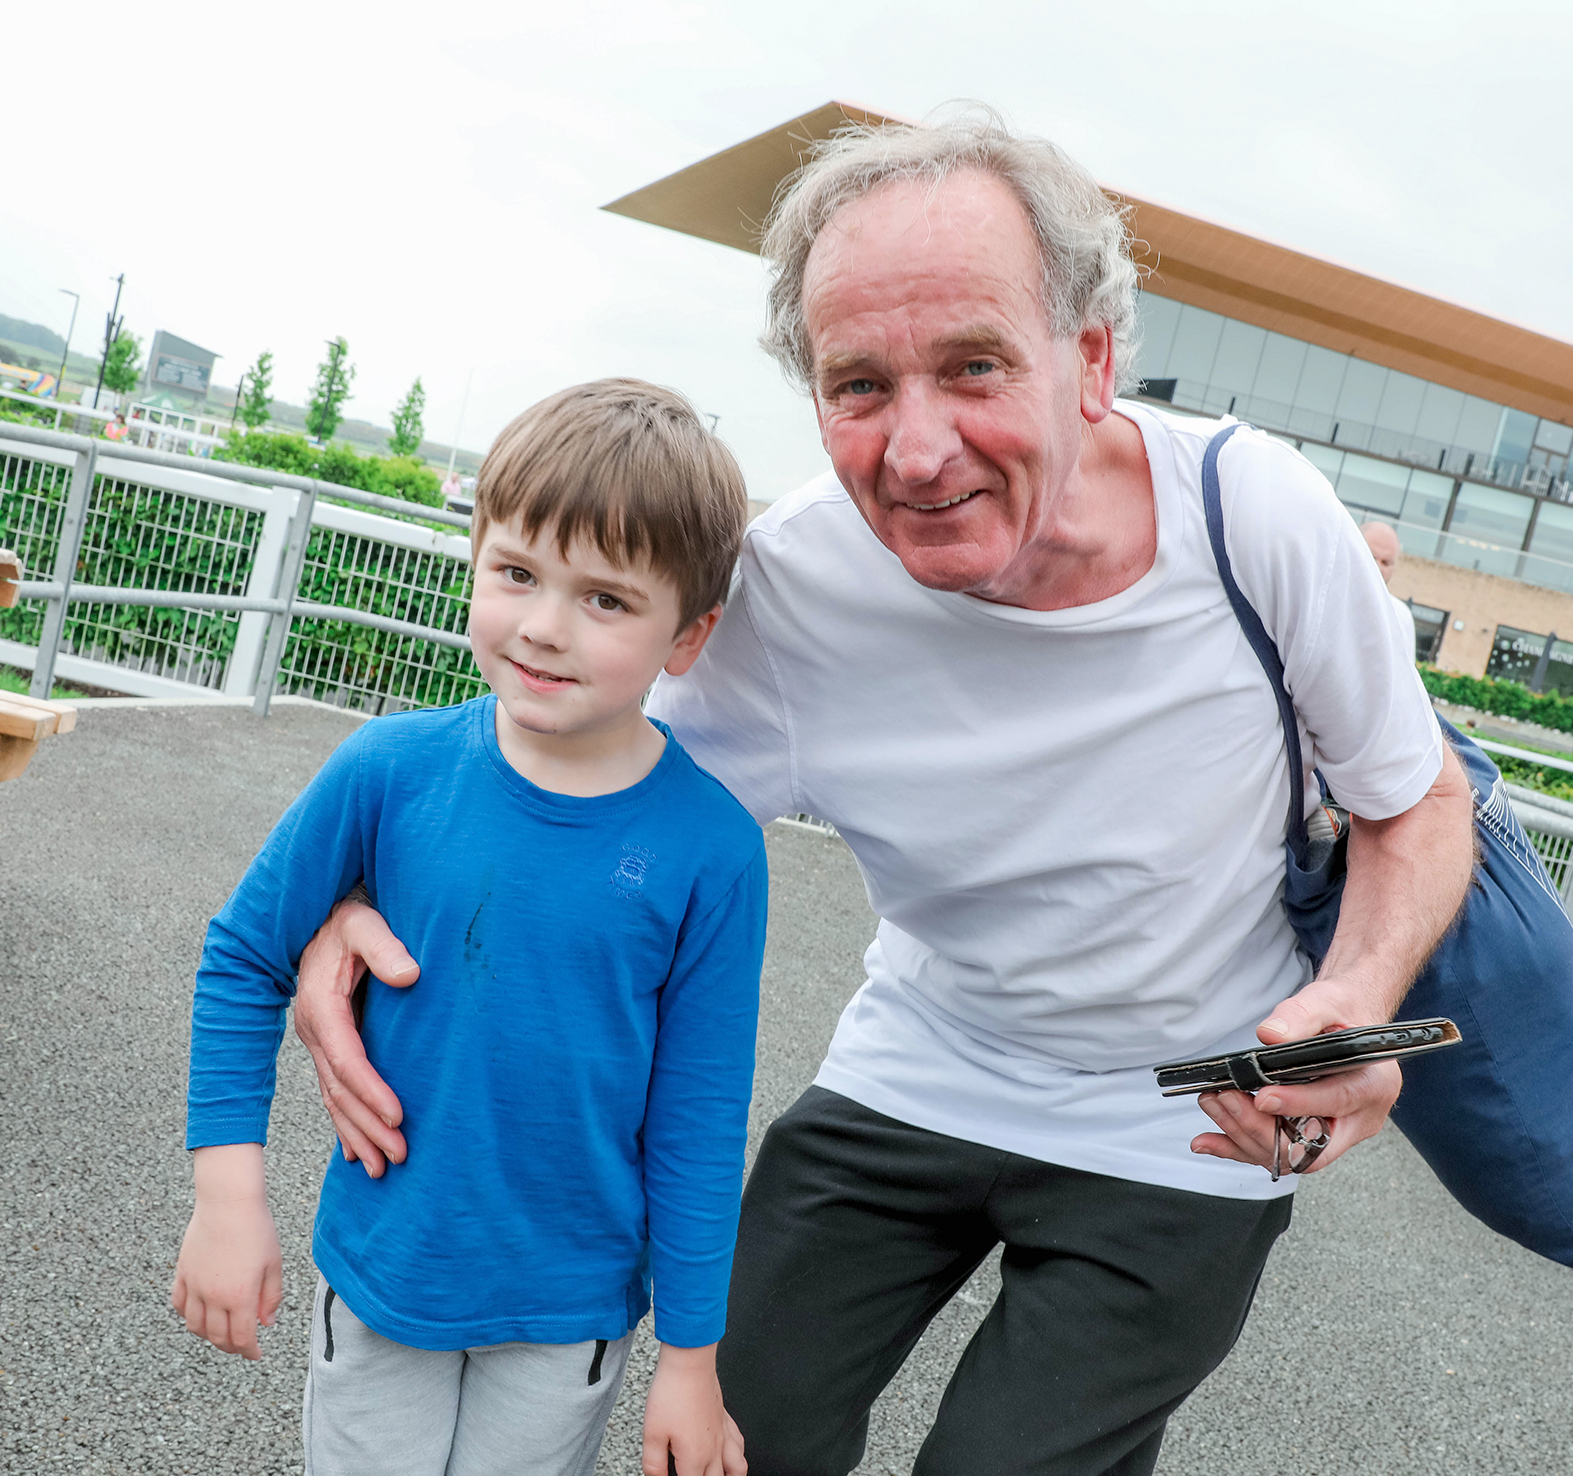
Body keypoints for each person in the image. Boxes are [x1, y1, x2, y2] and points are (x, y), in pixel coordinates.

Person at [290, 113, 1476, 1476]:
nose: (916, 452)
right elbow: (585, 796)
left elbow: (1414, 800)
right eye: (857, 385)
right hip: (924, 1060)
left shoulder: (1252, 517)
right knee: (728, 1440)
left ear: (1091, 362)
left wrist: (1358, 996)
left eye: (974, 365)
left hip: (1181, 1113)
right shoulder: (798, 584)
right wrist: (353, 901)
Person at [172, 379, 765, 1476]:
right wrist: (227, 1197)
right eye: (517, 572)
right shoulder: (388, 769)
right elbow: (245, 957)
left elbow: (699, 1115)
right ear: (475, 557)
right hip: (388, 1264)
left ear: (688, 635)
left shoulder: (715, 849)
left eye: (606, 599)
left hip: (570, 1305)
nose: (543, 625)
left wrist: (691, 1360)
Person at [1362, 520, 1420, 659]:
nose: (1378, 567)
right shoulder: (1323, 595)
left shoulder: (1400, 616)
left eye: (1386, 562)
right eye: (1372, 557)